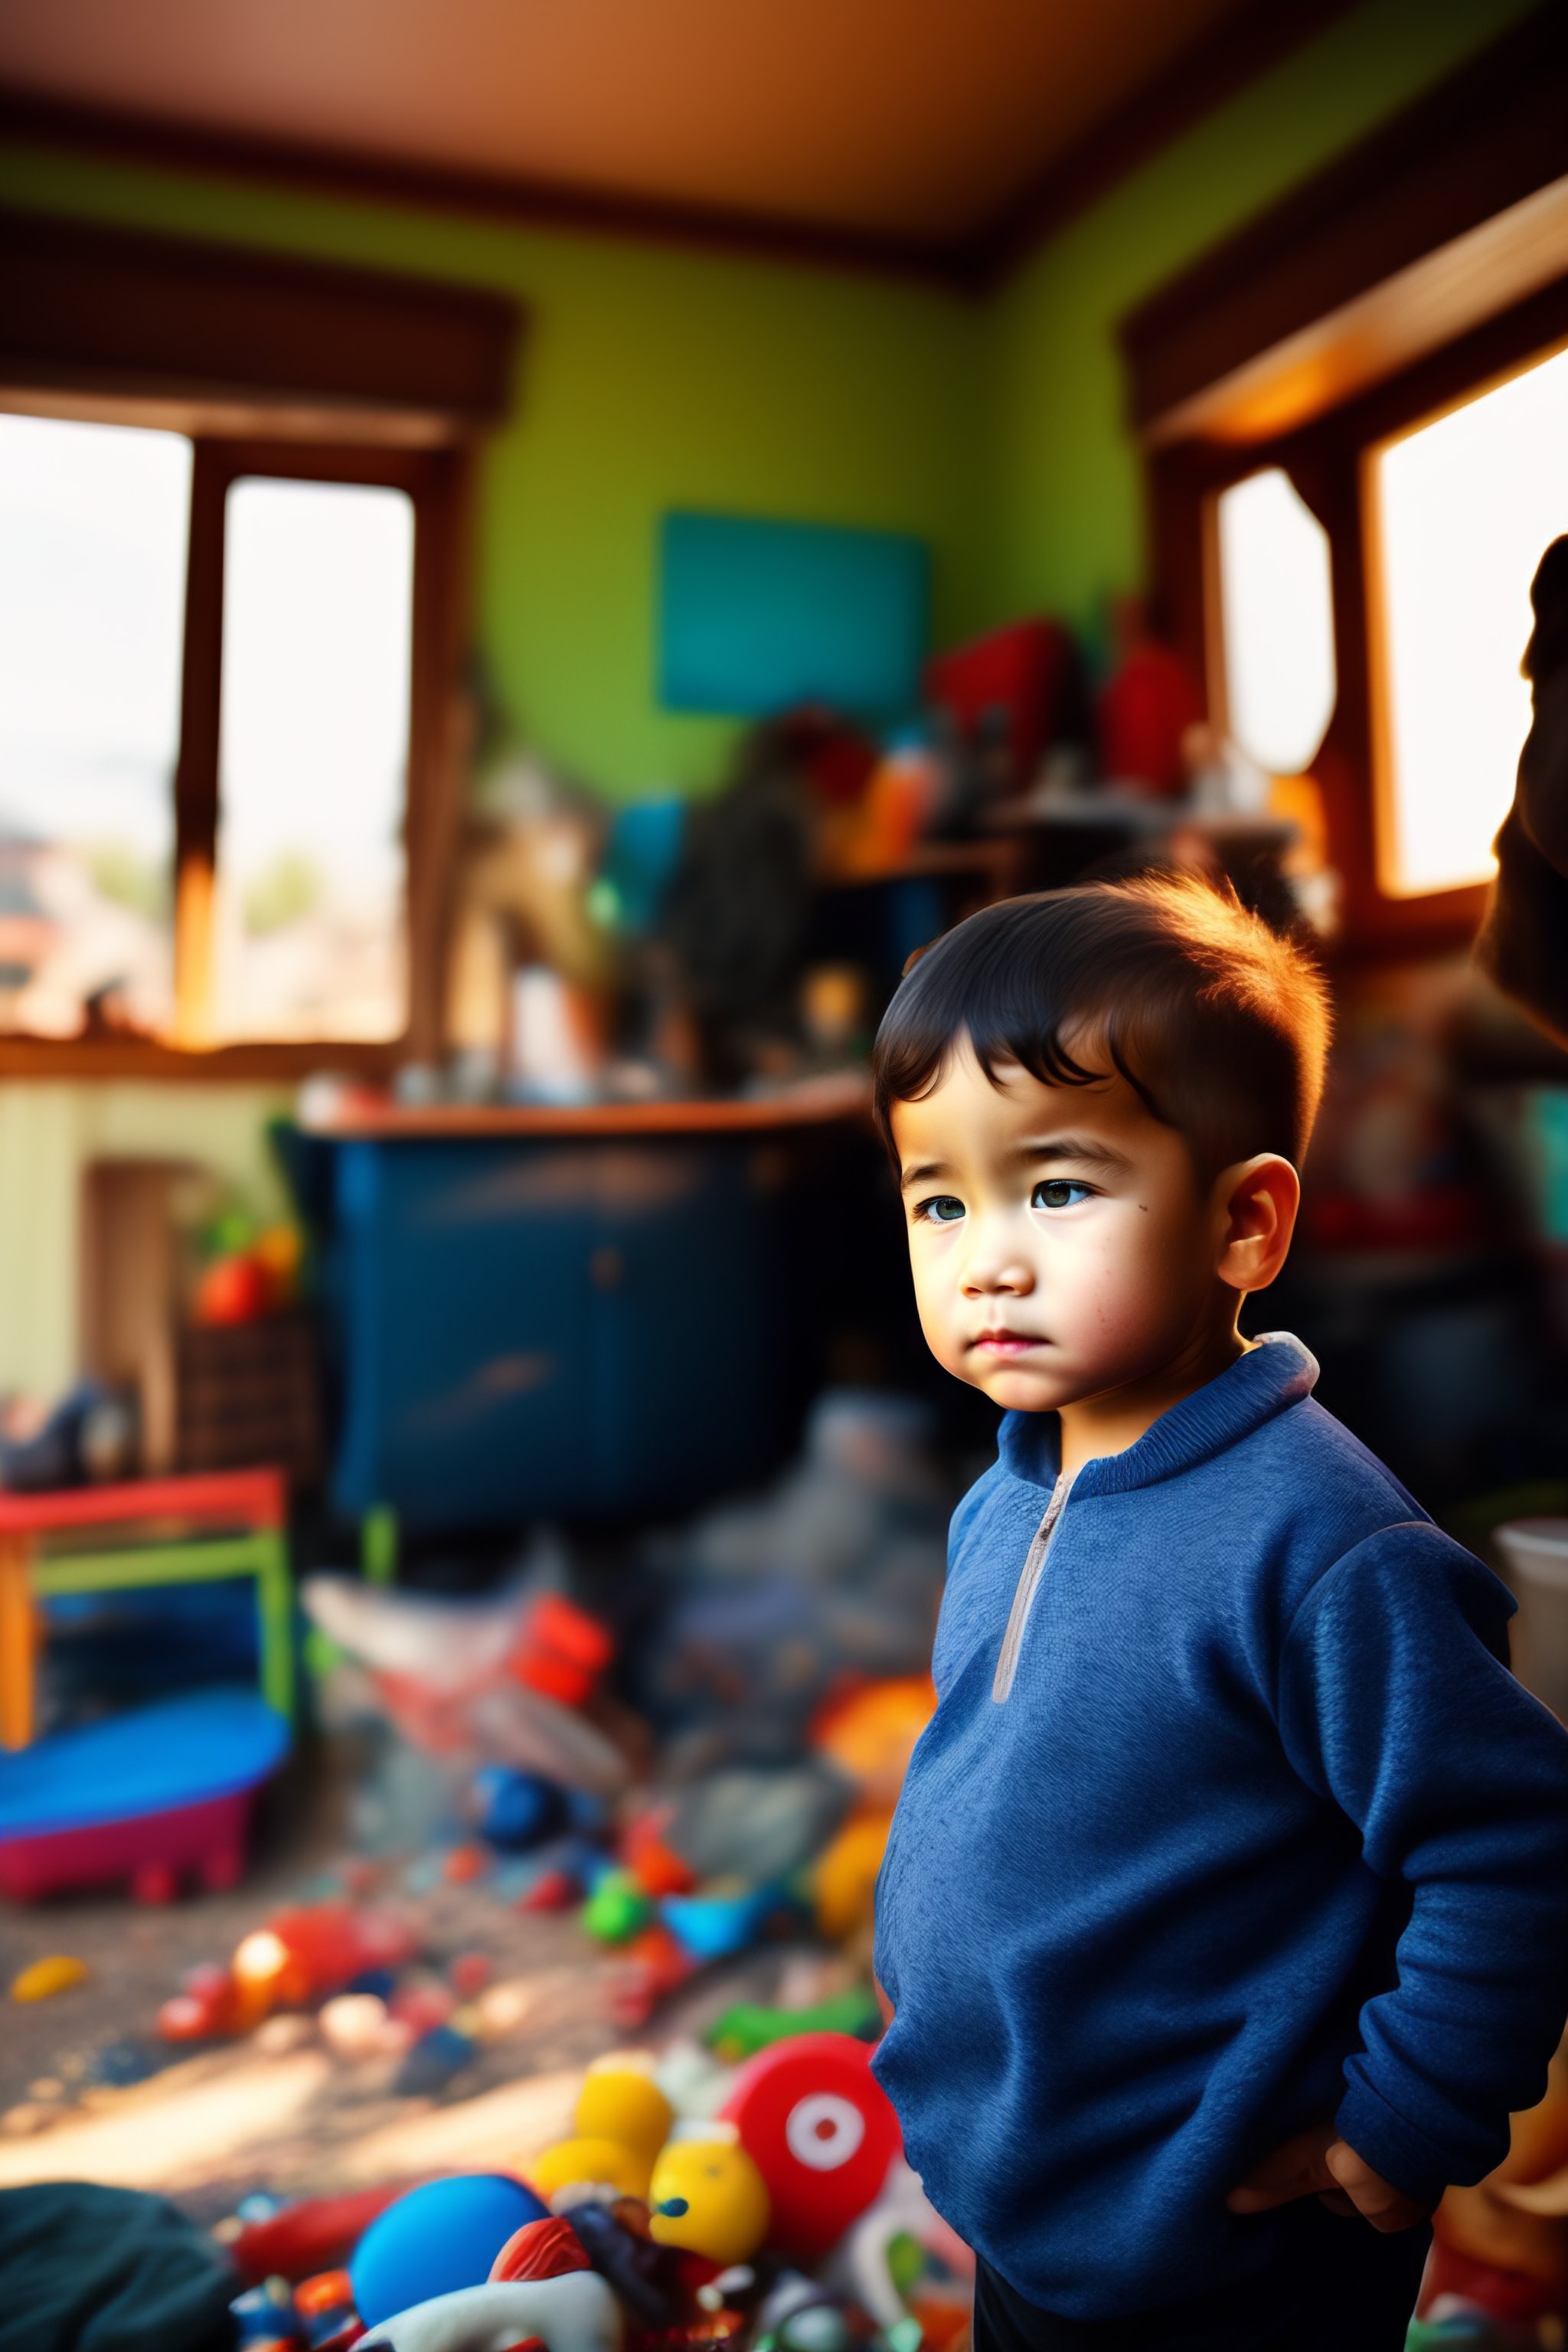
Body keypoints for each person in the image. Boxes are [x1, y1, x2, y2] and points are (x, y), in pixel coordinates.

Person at [867, 874, 1568, 2352]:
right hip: (1042, 2200)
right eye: (942, 1198)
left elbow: (1514, 1842)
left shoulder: (1323, 1543)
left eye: (1055, 1187)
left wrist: (1409, 2116)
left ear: (1245, 1224)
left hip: (1230, 2248)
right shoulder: (1005, 1492)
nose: (987, 1254)